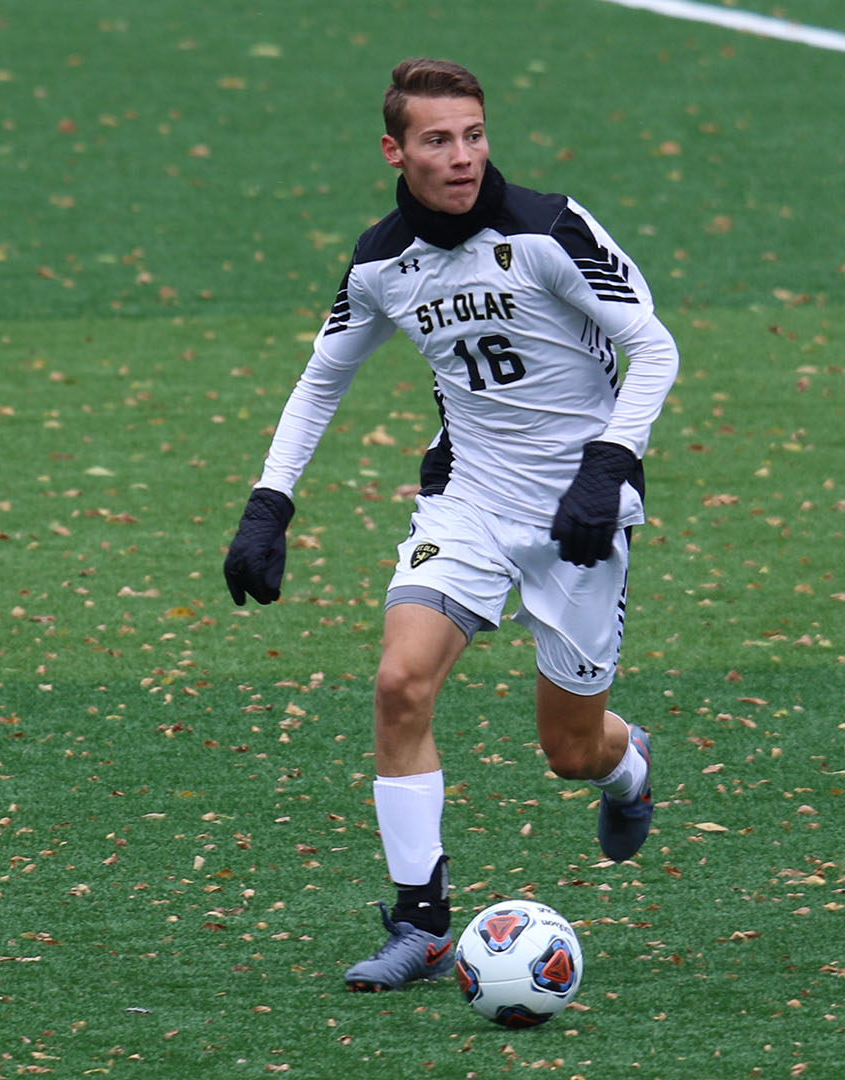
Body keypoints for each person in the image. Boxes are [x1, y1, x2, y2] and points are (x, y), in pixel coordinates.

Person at [223, 58, 681, 993]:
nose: (463, 155)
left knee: (569, 751)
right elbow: (322, 382)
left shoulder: (550, 229)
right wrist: (270, 502)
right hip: (466, 500)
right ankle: (422, 922)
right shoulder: (381, 261)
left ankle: (627, 765)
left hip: (580, 515)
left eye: (474, 134)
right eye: (438, 139)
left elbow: (653, 343)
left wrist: (608, 464)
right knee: (399, 683)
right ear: (396, 150)